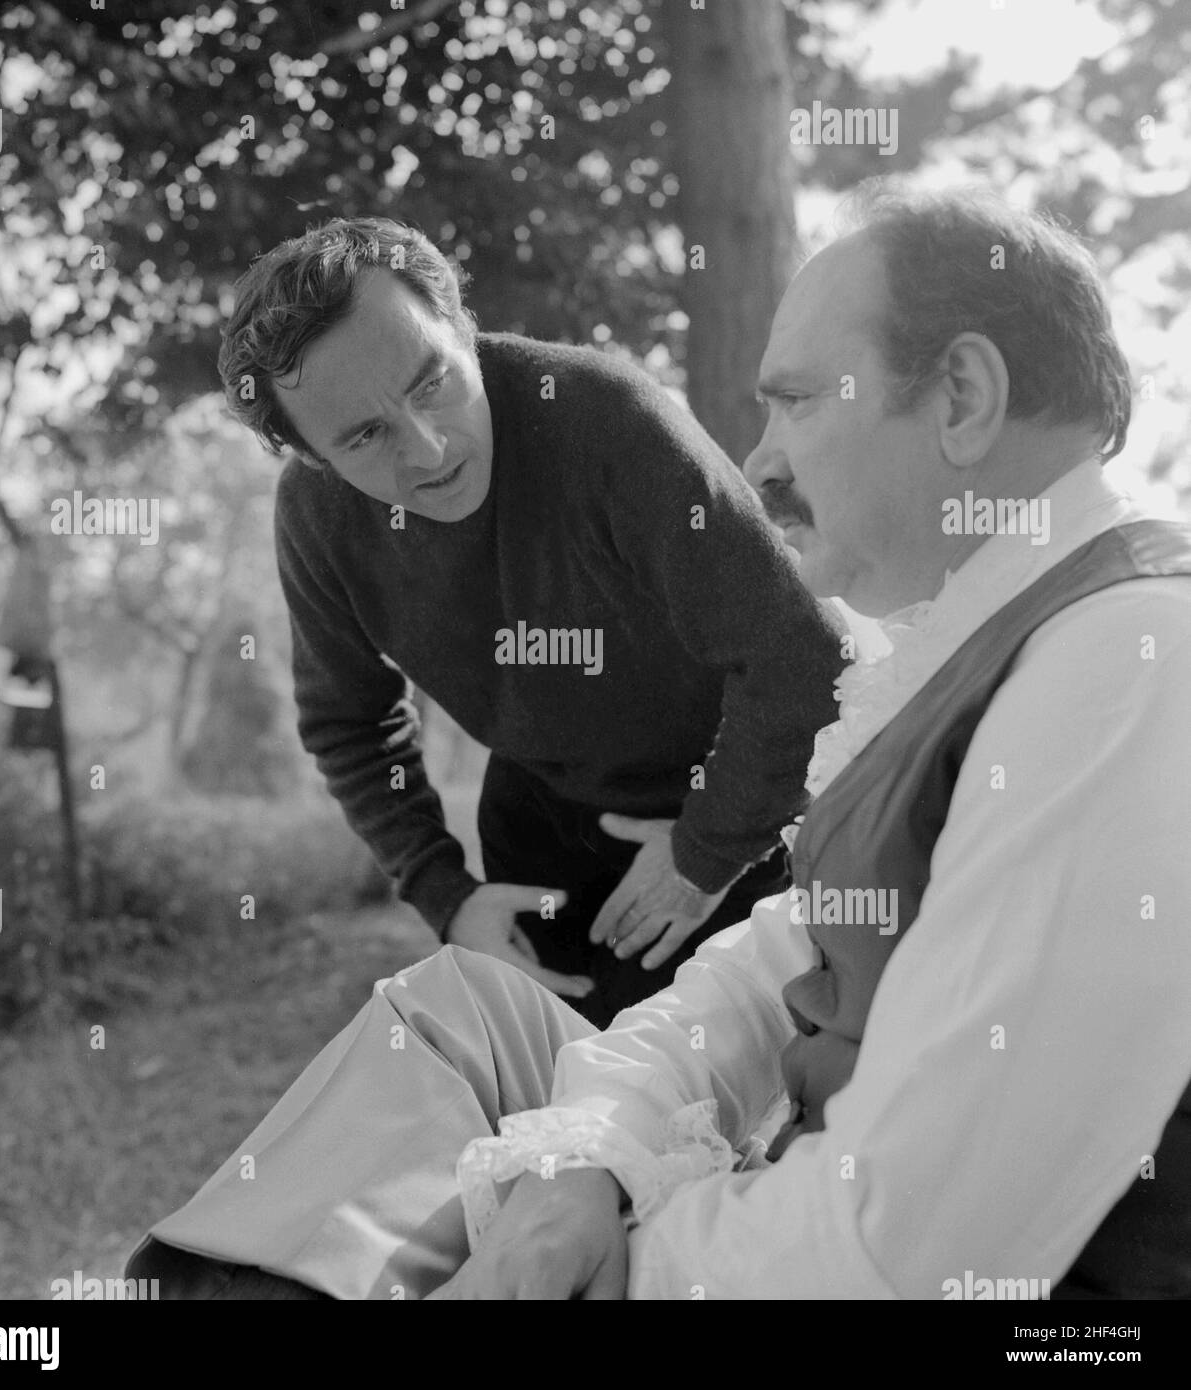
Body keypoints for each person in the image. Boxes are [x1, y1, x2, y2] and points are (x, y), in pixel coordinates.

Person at [128, 184, 1191, 1299]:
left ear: (961, 396)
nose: (758, 465)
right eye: (361, 435)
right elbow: (806, 946)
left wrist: (597, 1243)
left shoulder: (1120, 668)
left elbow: (903, 1239)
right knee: (445, 1013)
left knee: (508, 1192)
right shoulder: (982, 645)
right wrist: (582, 1135)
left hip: (733, 880)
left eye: (793, 404)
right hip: (564, 851)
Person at [218, 216, 847, 1025]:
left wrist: (703, 855)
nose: (428, 447)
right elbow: (348, 722)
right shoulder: (315, 516)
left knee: (733, 1098)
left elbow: (798, 655)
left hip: (736, 792)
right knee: (556, 1109)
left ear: (462, 328)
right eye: (367, 435)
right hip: (537, 823)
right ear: (311, 455)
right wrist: (447, 896)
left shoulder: (606, 416)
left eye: (430, 382)